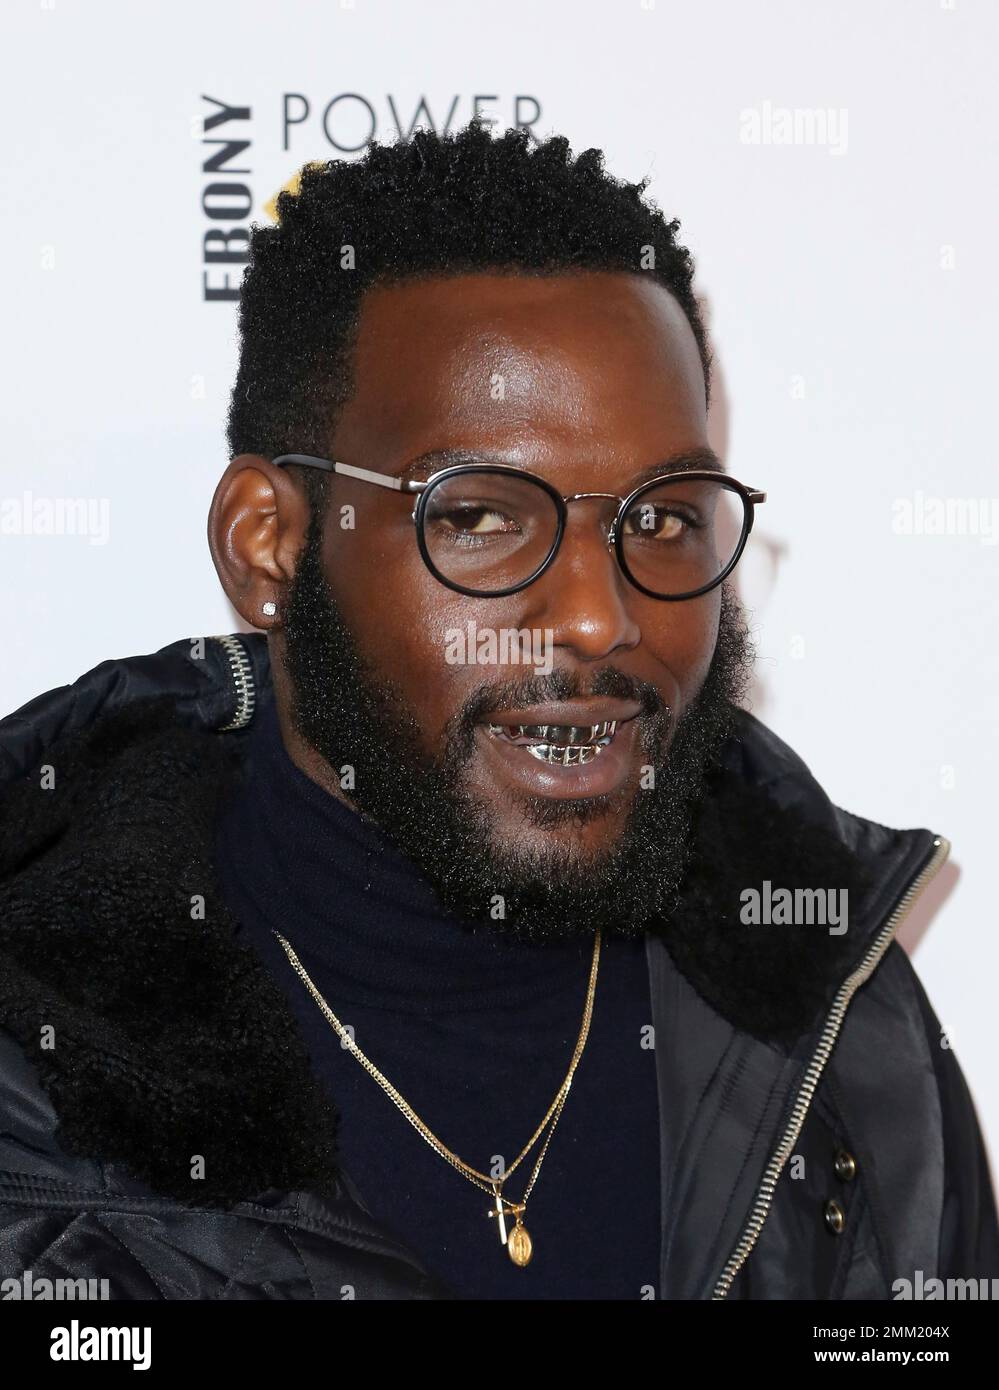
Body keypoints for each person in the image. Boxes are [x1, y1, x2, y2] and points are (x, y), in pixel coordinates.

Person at [1, 121, 996, 1301]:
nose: (598, 617)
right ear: (268, 543)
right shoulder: (37, 1071)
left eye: (665, 516)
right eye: (477, 517)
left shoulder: (834, 1018)